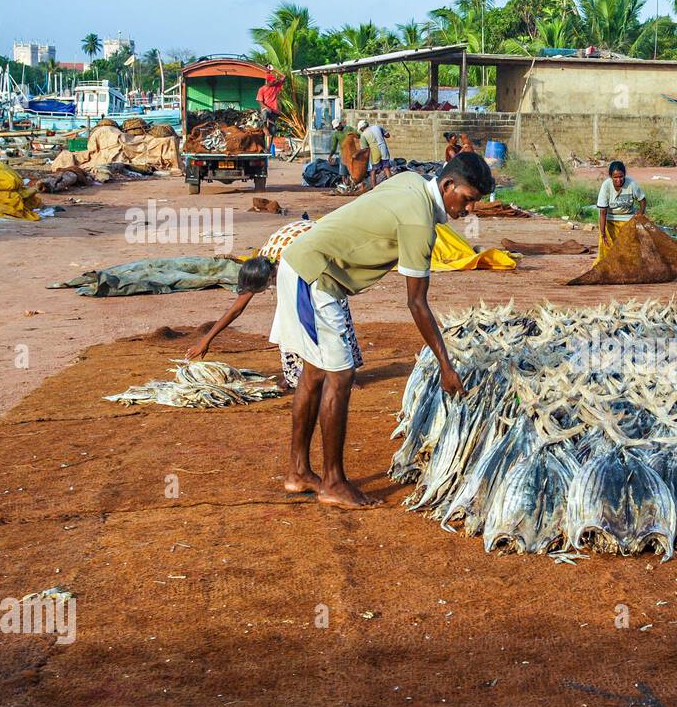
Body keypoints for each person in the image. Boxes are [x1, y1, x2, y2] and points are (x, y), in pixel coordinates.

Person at [269, 151, 495, 509]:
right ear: (448, 185)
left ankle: (299, 472)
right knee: (340, 377)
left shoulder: (410, 182)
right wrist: (445, 365)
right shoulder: (419, 222)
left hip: (304, 264)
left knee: (314, 373)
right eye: (467, 200)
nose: (468, 211)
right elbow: (416, 303)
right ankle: (332, 482)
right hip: (316, 278)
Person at [185, 219, 323, 391]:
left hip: (317, 250)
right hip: (294, 244)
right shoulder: (261, 265)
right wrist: (206, 340)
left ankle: (341, 375)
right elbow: (237, 308)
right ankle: (292, 375)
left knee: (321, 318)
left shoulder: (292, 268)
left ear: (269, 281)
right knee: (287, 323)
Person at [596, 160, 646, 259]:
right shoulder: (606, 186)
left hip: (628, 220)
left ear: (624, 175)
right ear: (610, 176)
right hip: (610, 220)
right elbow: (602, 212)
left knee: (629, 248)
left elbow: (642, 200)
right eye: (615, 177)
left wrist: (640, 214)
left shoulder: (631, 184)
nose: (618, 180)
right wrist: (603, 233)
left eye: (621, 176)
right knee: (607, 250)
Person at [257, 66, 285, 149]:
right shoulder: (262, 89)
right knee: (263, 119)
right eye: (272, 81)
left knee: (273, 130)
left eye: (274, 81)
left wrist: (274, 69)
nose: (274, 82)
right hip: (266, 109)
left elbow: (284, 76)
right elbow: (259, 101)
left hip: (274, 111)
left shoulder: (276, 87)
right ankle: (266, 133)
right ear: (268, 81)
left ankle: (268, 147)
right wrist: (266, 107)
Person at [359, 119, 391, 188]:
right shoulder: (377, 127)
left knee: (373, 170)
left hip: (374, 151)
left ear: (362, 128)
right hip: (383, 149)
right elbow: (388, 135)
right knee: (386, 168)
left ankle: (374, 187)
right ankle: (391, 186)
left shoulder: (363, 135)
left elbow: (365, 148)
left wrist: (357, 154)